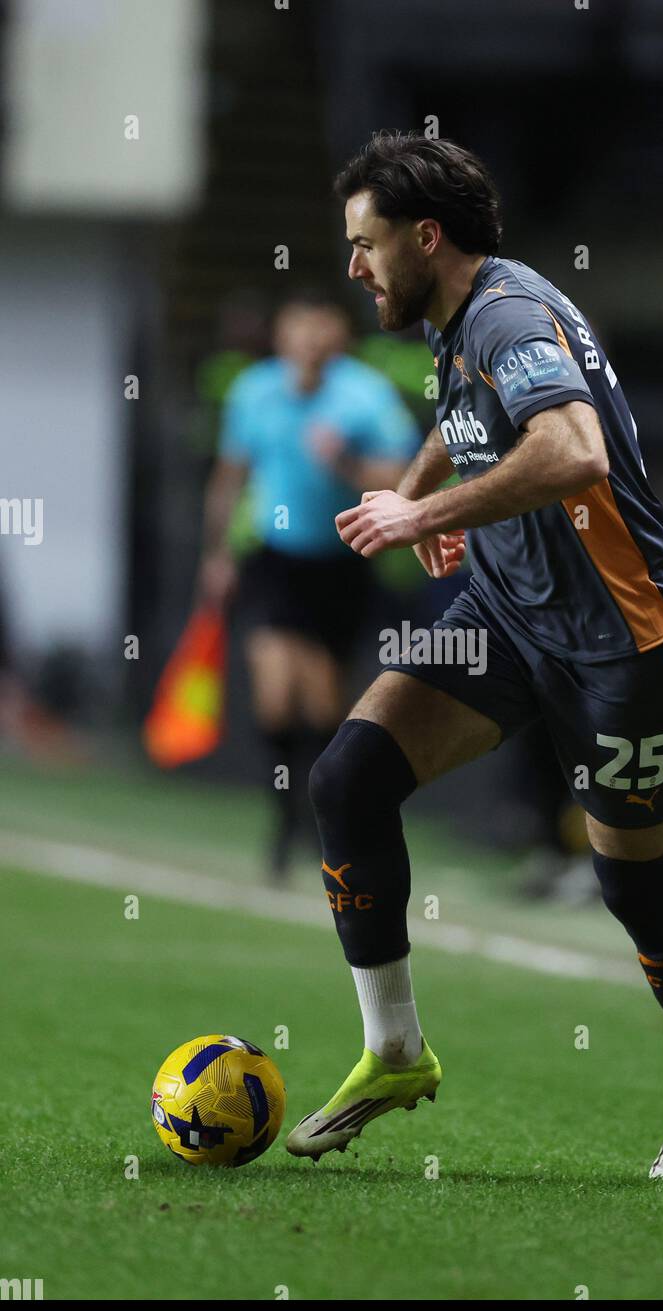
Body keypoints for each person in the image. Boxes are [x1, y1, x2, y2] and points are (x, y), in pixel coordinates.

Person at [285, 135, 663, 1182]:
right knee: (348, 778)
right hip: (505, 612)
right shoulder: (456, 323)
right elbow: (462, 422)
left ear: (425, 235)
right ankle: (394, 1050)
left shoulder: (504, 313)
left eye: (366, 246)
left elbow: (571, 451)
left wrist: (432, 507)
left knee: (631, 887)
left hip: (615, 638)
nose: (354, 267)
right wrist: (418, 498)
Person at [198, 292, 419, 876]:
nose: (311, 342)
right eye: (300, 329)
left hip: (340, 560)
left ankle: (328, 820)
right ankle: (280, 827)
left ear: (339, 337)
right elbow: (230, 474)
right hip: (274, 557)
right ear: (282, 336)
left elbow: (402, 477)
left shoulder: (364, 395)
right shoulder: (254, 391)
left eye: (322, 330)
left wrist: (344, 461)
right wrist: (216, 553)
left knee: (321, 697)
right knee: (273, 692)